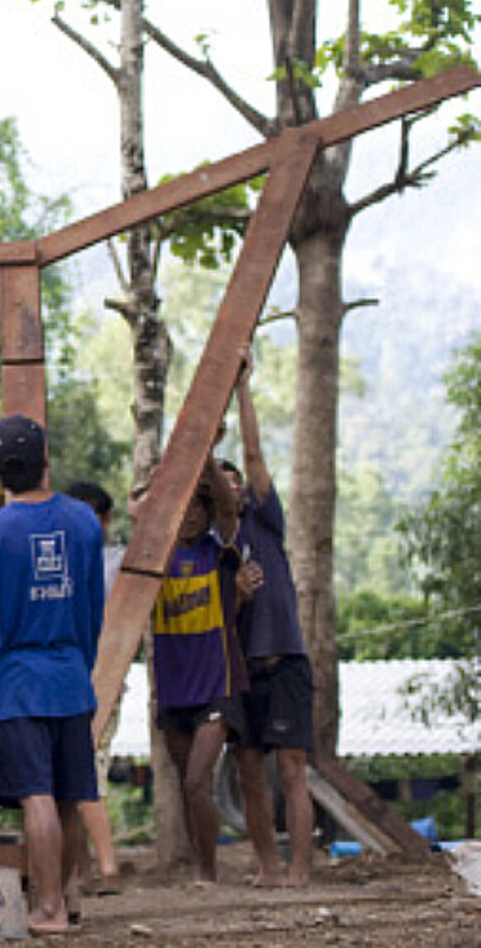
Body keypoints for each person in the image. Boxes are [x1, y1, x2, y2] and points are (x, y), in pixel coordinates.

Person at [0, 415, 105, 936]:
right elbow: (94, 609)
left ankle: (46, 909)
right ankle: (61, 898)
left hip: (18, 681)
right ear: (46, 460)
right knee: (69, 795)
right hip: (70, 672)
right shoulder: (84, 521)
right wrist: (79, 667)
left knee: (37, 795)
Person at [224, 356, 316, 887]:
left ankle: (300, 868)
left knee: (292, 769)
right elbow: (221, 622)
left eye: (239, 481)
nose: (235, 486)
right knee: (249, 772)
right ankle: (268, 867)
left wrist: (242, 390)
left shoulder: (265, 520)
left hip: (284, 664)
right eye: (225, 484)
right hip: (243, 672)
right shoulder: (216, 547)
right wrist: (235, 596)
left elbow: (254, 452)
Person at [147, 451, 250, 885]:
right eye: (182, 507)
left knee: (196, 780)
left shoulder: (220, 552)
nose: (189, 517)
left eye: (197, 508)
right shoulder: (154, 559)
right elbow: (142, 511)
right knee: (189, 789)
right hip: (173, 689)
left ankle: (208, 871)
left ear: (207, 512)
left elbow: (230, 509)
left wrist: (203, 454)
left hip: (216, 684)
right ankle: (198, 864)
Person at [64, 480, 124, 895]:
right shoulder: (56, 558)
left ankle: (107, 868)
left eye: (92, 516)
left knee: (88, 772)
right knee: (70, 778)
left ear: (105, 521)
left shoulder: (115, 561)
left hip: (102, 678)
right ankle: (83, 871)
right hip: (66, 678)